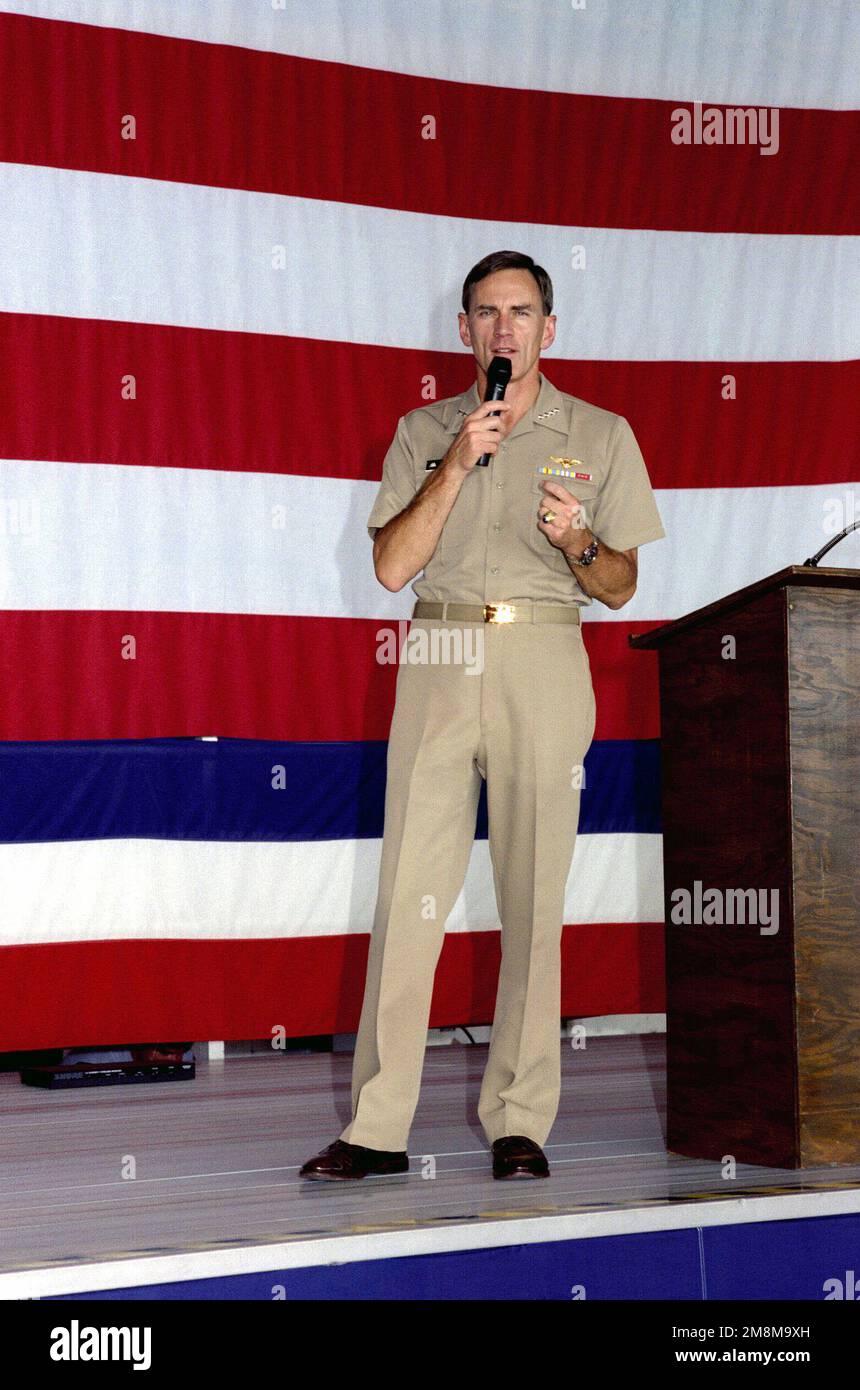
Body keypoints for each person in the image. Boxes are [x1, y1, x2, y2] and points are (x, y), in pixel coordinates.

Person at [301, 250, 665, 1181]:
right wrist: (457, 464)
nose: (505, 328)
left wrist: (580, 541)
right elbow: (390, 568)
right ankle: (378, 1128)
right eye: (487, 312)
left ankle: (519, 1120)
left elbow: (622, 587)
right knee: (406, 897)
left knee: (534, 893)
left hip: (543, 652)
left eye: (523, 310)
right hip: (438, 649)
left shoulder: (602, 431)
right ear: (462, 330)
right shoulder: (424, 429)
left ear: (551, 327)